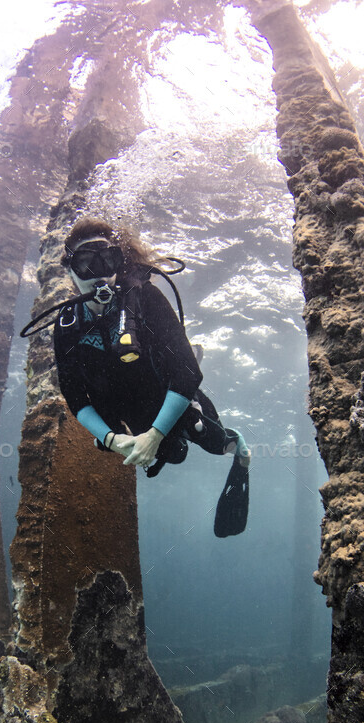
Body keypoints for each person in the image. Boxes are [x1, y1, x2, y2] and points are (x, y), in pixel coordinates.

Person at [50, 219, 250, 535]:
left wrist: (153, 435)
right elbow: (74, 394)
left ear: (119, 262)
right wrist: (110, 438)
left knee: (212, 442)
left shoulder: (146, 299)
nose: (99, 273)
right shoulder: (67, 325)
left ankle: (240, 450)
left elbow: (187, 373)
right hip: (125, 411)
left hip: (169, 394)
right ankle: (153, 438)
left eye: (107, 261)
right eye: (86, 263)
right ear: (70, 271)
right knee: (174, 455)